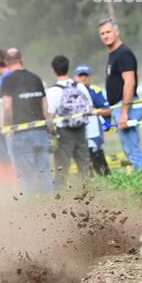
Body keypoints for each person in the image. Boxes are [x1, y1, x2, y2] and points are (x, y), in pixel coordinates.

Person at [0, 47, 54, 195]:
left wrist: (8, 128)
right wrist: (50, 128)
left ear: (6, 62)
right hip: (41, 131)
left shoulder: (7, 81)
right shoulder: (36, 78)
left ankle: (34, 210)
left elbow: (7, 107)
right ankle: (52, 206)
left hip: (20, 133)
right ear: (22, 59)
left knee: (27, 177)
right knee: (45, 172)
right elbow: (45, 107)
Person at [97, 19, 142, 174]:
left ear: (117, 32)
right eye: (102, 33)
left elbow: (129, 82)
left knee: (134, 151)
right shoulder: (113, 54)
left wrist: (124, 112)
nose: (105, 36)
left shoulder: (123, 54)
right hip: (118, 107)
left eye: (108, 32)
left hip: (125, 106)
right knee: (130, 151)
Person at [46, 56, 94, 188]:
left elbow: (50, 116)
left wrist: (51, 133)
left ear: (54, 70)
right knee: (84, 164)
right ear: (68, 67)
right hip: (81, 129)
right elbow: (90, 108)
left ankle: (59, 195)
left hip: (64, 132)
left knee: (62, 166)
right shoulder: (80, 86)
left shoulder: (52, 91)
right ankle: (89, 193)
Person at [74, 65, 111, 176]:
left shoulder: (95, 91)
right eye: (81, 75)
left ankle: (107, 179)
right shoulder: (71, 92)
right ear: (76, 77)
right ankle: (89, 184)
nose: (84, 78)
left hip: (94, 131)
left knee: (97, 156)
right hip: (79, 131)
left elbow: (108, 111)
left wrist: (93, 111)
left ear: (90, 77)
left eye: (86, 75)